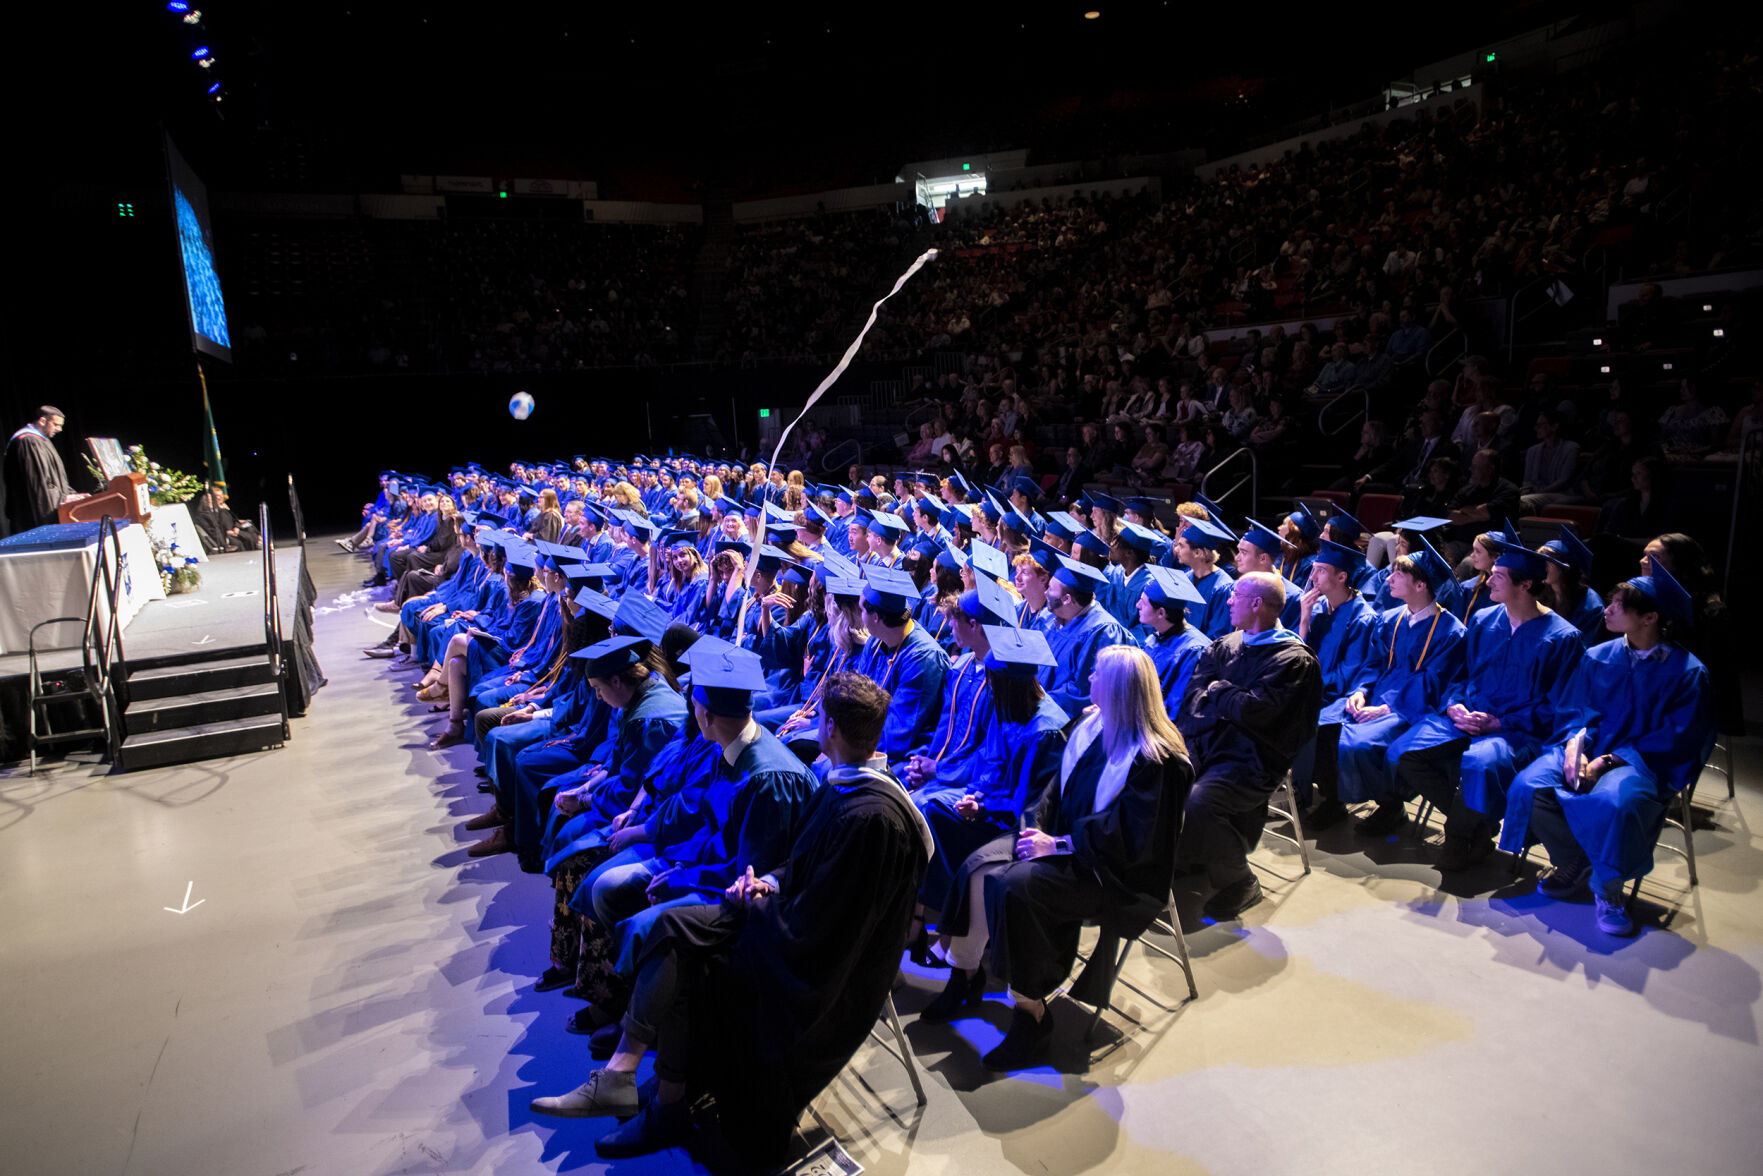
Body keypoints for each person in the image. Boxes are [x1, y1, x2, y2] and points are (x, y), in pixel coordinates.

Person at [529, 672, 931, 1166]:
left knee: (680, 943)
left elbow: (828, 926)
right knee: (674, 936)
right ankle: (647, 1087)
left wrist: (759, 901)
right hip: (790, 923)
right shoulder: (847, 786)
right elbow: (803, 870)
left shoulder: (873, 817)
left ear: (829, 726)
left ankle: (654, 1096)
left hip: (819, 967)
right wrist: (769, 883)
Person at [927, 645, 1192, 1070]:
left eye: (1096, 676)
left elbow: (1132, 837)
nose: (1087, 682)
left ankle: (1032, 1015)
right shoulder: (1090, 726)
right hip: (1063, 846)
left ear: (1120, 689)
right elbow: (1052, 792)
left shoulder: (1157, 759)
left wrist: (1059, 844)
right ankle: (966, 975)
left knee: (1013, 887)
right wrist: (1038, 829)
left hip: (1113, 872)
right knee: (978, 866)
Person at [1384, 538, 1585, 870]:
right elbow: (1459, 676)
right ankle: (1481, 827)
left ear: (1526, 584)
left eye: (1499, 576)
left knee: (1480, 763)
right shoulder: (1483, 621)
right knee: (1403, 753)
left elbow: (1560, 707)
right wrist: (1454, 704)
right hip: (1466, 715)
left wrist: (1499, 724)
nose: (1488, 580)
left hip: (1516, 730)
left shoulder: (1562, 639)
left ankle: (1458, 836)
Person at [1174, 572, 1322, 920]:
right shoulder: (1224, 645)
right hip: (1207, 746)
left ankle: (1239, 880)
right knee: (1160, 778)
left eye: (1236, 595)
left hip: (1252, 760)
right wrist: (1225, 700)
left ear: (1256, 603)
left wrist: (1219, 692)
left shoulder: (1293, 661)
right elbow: (1193, 697)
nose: (1228, 600)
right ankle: (1189, 856)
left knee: (1198, 803)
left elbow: (1256, 714)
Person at [1335, 538, 1471, 834]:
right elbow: (1372, 664)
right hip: (1378, 698)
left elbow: (1434, 682)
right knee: (1330, 727)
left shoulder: (1452, 633)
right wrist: (1360, 691)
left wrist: (1386, 708)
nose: (1390, 578)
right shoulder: (1389, 620)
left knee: (1359, 743)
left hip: (1416, 708)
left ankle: (1390, 805)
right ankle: (1339, 803)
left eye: (1399, 574)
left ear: (1421, 585)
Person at [1289, 540, 1380, 818]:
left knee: (1315, 724)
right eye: (1312, 569)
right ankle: (1287, 788)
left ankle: (1332, 799)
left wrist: (1312, 687)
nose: (1312, 577)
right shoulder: (1316, 609)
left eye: (1320, 570)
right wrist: (1303, 622)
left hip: (1342, 694)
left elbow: (1350, 672)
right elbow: (1295, 653)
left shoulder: (1363, 618)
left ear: (1342, 577)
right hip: (1314, 687)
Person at [1039, 554, 1137, 718]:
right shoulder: (1051, 619)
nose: (1046, 592)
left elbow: (1083, 691)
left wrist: (1037, 702)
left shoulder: (1103, 633)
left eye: (1051, 589)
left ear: (1067, 599)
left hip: (1064, 723)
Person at [3, 405, 73, 536]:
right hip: (33, 519)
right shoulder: (28, 442)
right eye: (56, 425)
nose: (60, 429)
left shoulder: (41, 441)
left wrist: (72, 496)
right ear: (42, 421)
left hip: (48, 506)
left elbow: (56, 480)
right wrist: (64, 499)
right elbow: (40, 487)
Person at [189, 481, 260, 552]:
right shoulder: (208, 514)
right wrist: (231, 531)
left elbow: (231, 521)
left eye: (221, 495)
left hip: (232, 530)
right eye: (217, 496)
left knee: (250, 527)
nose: (220, 498)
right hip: (226, 536)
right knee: (246, 538)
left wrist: (237, 525)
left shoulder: (222, 510)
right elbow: (219, 528)